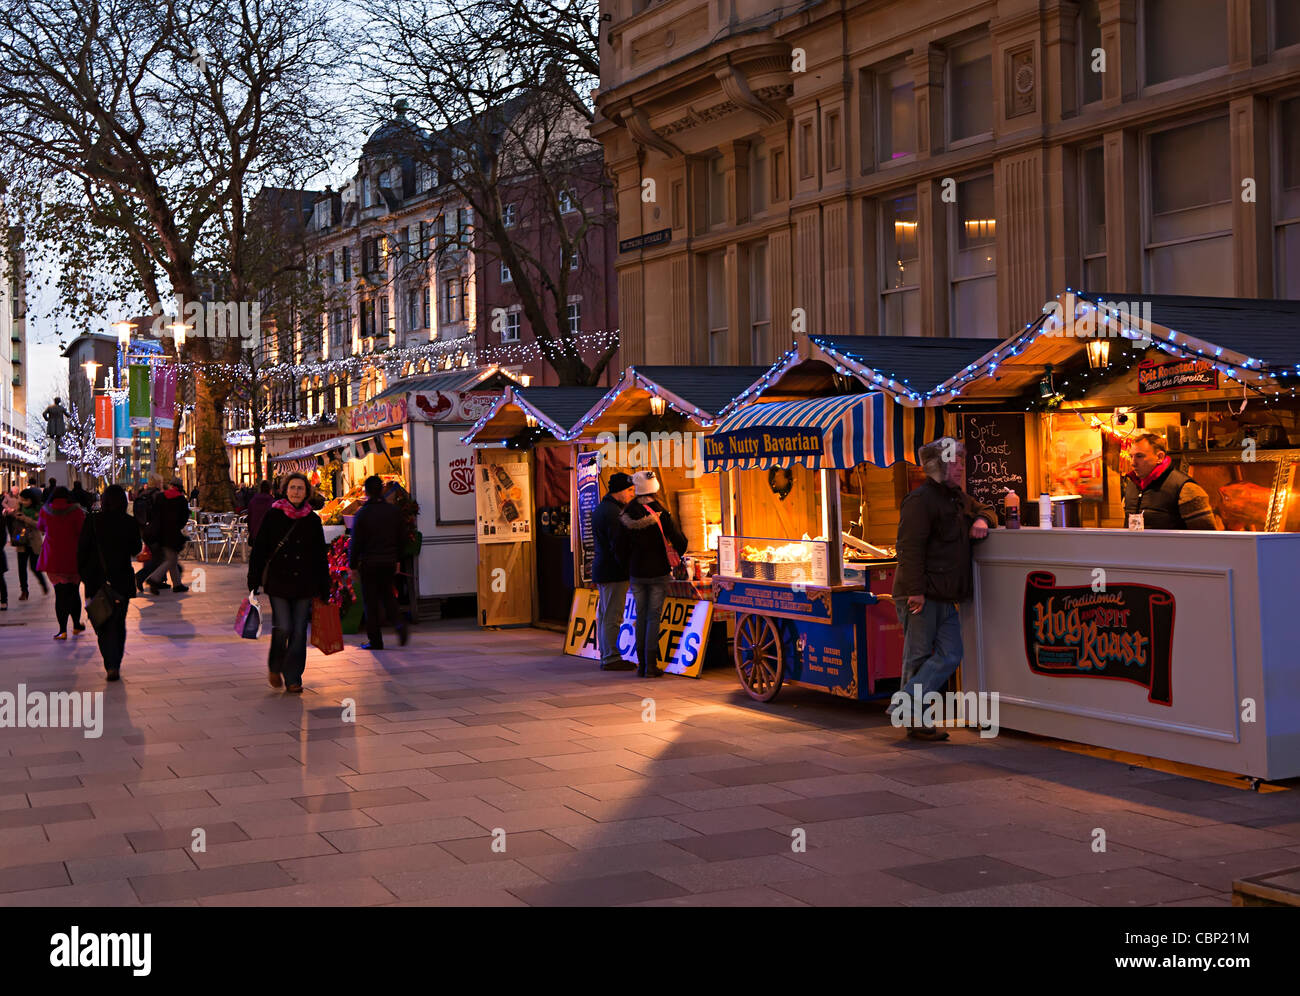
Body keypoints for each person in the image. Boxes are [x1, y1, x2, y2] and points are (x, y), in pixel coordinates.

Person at [892, 437, 997, 741]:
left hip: (945, 593)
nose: (960, 467)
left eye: (962, 461)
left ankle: (907, 702)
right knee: (918, 656)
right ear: (936, 465)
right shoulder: (920, 500)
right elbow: (909, 549)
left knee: (951, 654)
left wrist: (980, 518)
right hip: (921, 593)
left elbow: (988, 509)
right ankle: (917, 722)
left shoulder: (957, 498)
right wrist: (915, 590)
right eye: (953, 460)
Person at [247, 472, 330, 693]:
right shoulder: (273, 515)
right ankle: (275, 666)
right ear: (285, 490)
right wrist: (253, 579)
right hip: (279, 582)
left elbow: (320, 555)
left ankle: (294, 677)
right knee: (283, 626)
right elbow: (260, 549)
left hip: (304, 583)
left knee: (299, 630)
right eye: (292, 487)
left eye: (300, 488)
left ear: (306, 492)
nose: (296, 492)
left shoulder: (312, 520)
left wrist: (324, 586)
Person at [616, 470, 687, 679]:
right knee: (653, 616)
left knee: (641, 614)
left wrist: (628, 565)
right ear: (654, 489)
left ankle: (641, 664)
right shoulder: (661, 513)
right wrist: (677, 555)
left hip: (637, 572)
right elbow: (679, 540)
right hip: (658, 572)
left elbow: (618, 547)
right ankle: (651, 665)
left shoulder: (626, 513)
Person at [77, 485, 142, 681]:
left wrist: (84, 575)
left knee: (102, 623)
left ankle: (109, 662)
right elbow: (136, 549)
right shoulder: (129, 522)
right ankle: (115, 663)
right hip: (120, 580)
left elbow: (81, 550)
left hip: (95, 581)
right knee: (118, 623)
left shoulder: (93, 521)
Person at [348, 474, 407, 651]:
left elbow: (355, 542)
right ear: (382, 490)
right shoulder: (394, 512)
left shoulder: (362, 514)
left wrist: (352, 565)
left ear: (366, 492)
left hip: (369, 563)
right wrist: (398, 559)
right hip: (388, 561)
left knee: (371, 602)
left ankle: (376, 641)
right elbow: (402, 538)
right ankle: (399, 625)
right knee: (388, 596)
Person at [1123, 433, 1218, 530]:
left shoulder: (1185, 488)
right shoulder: (1131, 485)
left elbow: (1206, 536)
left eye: (1139, 456)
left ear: (1159, 457)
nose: (1133, 463)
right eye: (1131, 456)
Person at [592, 472, 636, 671]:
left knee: (606, 613)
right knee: (613, 614)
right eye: (629, 490)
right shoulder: (613, 513)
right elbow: (617, 544)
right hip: (613, 570)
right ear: (619, 491)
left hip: (604, 568)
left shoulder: (604, 508)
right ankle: (610, 657)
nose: (632, 494)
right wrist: (628, 566)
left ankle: (607, 653)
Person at [37, 486, 87, 639]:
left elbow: (40, 527)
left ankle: (62, 630)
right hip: (73, 557)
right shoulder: (77, 511)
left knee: (60, 594)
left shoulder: (45, 510)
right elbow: (82, 531)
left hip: (53, 558)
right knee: (73, 592)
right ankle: (77, 625)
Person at [145, 479, 191, 594]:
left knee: (172, 558)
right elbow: (183, 519)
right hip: (173, 533)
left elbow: (154, 513)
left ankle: (177, 584)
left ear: (171, 485)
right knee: (171, 559)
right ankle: (154, 578)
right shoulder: (181, 499)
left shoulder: (160, 496)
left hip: (160, 532)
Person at [8, 488, 48, 600]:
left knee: (35, 567)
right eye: (22, 499)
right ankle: (24, 590)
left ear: (31, 500)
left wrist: (25, 518)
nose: (23, 502)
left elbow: (40, 525)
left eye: (25, 500)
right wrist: (13, 514)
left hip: (34, 542)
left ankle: (43, 583)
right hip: (21, 540)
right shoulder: (19, 507)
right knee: (21, 567)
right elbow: (14, 519)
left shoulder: (39, 509)